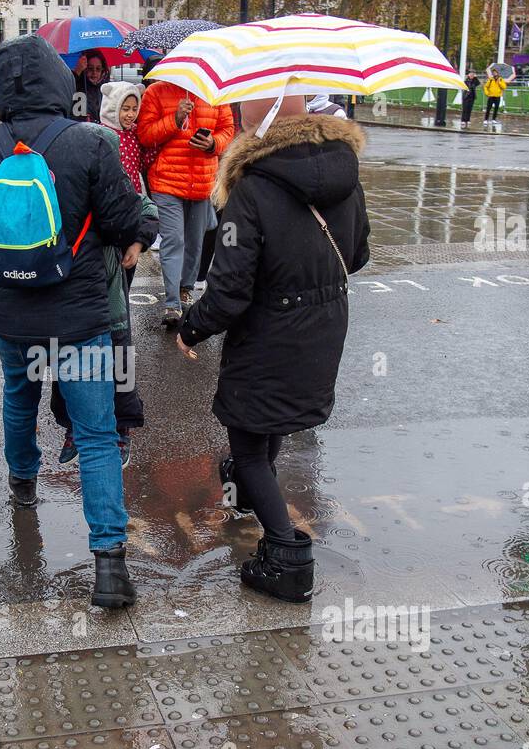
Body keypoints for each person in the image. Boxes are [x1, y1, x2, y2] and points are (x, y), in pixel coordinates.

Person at [0, 34, 147, 608]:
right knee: (95, 432)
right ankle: (109, 564)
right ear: (58, 84)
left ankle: (22, 484)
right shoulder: (90, 143)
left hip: (12, 314)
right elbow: (120, 220)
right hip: (80, 317)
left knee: (18, 399)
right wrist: (142, 232)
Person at [176, 96, 370, 604]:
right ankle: (243, 491)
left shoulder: (254, 187)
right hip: (325, 322)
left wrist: (191, 328)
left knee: (249, 440)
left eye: (241, 113)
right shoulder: (344, 170)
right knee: (270, 422)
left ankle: (287, 557)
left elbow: (230, 291)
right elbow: (360, 253)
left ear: (254, 122)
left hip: (269, 329)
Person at [49, 79, 158, 469]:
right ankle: (73, 429)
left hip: (109, 290)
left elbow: (146, 210)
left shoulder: (118, 177)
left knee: (119, 357)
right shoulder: (59, 178)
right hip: (70, 290)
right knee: (67, 361)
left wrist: (139, 242)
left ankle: (121, 430)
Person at [137, 77, 234, 329]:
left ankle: (185, 288)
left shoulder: (215, 92)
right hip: (166, 181)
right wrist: (175, 120)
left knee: (195, 242)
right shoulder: (156, 92)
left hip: (202, 182)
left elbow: (227, 130)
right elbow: (145, 135)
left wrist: (213, 143)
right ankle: (171, 303)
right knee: (174, 240)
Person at [74, 50, 109, 123]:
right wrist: (77, 72)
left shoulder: (106, 89)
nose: (94, 73)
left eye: (98, 69)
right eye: (90, 68)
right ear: (85, 68)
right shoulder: (76, 84)